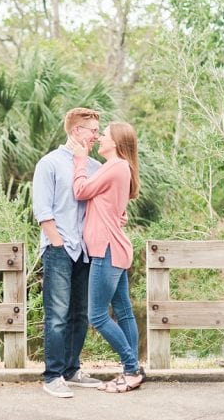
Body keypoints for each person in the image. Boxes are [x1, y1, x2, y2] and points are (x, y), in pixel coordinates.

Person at [32, 107, 104, 398]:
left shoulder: (95, 167)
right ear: (76, 131)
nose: (97, 136)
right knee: (57, 315)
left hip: (87, 251)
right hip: (59, 250)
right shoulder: (49, 163)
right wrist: (58, 243)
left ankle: (72, 370)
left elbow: (102, 204)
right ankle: (53, 376)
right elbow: (42, 210)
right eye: (93, 131)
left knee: (81, 314)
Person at [72, 121, 144, 393]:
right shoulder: (119, 168)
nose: (99, 137)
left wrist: (80, 160)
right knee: (124, 312)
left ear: (115, 142)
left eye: (104, 134)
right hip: (114, 248)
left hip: (107, 250)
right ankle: (132, 370)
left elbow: (80, 190)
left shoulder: (115, 166)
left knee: (98, 316)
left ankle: (132, 369)